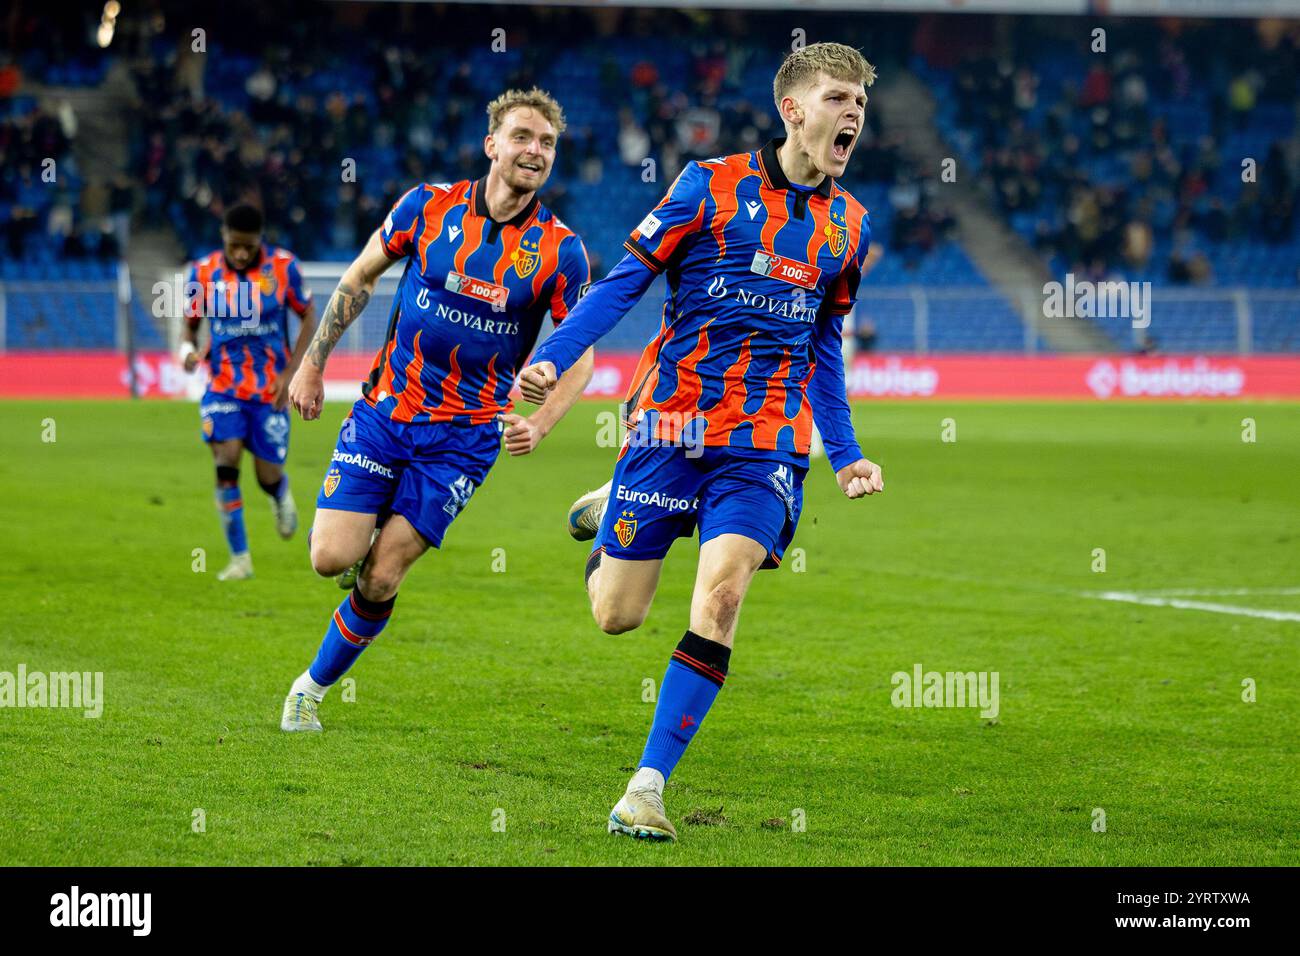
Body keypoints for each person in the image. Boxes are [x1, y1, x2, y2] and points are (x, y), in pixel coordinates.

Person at [518, 44, 884, 841]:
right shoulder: (707, 186)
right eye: (836, 98)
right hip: (673, 426)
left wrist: (846, 448)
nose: (852, 113)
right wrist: (550, 353)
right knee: (617, 617)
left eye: (859, 101)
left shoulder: (850, 226)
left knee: (721, 596)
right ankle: (615, 500)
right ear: (793, 110)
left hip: (766, 445)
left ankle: (645, 788)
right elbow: (624, 281)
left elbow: (825, 340)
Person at [278, 88, 594, 733]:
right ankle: (362, 532)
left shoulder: (562, 251)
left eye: (547, 143)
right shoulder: (427, 207)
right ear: (492, 144)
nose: (535, 151)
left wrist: (538, 421)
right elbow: (359, 278)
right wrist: (311, 363)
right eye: (523, 137)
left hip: (464, 439)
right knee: (330, 560)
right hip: (385, 413)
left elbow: (581, 354)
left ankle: (310, 688)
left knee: (382, 575)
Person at [180, 203, 316, 581]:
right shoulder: (203, 272)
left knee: (266, 474)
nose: (240, 253)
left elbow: (309, 314)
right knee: (226, 460)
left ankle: (279, 493)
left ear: (260, 241)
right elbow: (189, 326)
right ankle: (240, 558)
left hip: (270, 388)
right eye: (234, 245)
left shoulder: (284, 267)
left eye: (248, 246)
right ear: (224, 237)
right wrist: (186, 351)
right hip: (223, 385)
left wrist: (292, 372)